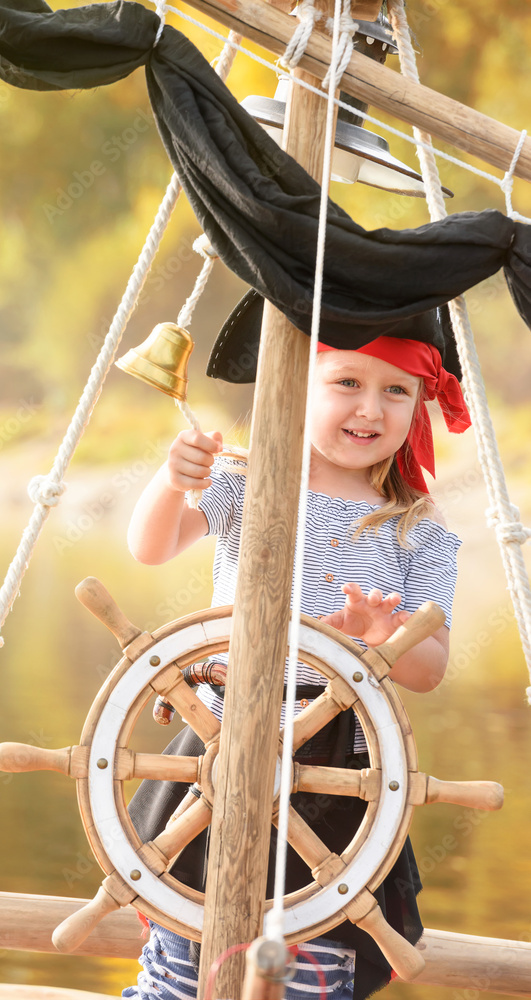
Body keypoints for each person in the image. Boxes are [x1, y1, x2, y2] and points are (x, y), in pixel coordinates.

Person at [122, 330, 470, 1000]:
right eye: (347, 383)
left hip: (339, 778)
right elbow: (151, 545)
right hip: (222, 747)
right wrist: (173, 481)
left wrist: (384, 637)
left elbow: (428, 668)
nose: (370, 409)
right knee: (178, 962)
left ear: (417, 406)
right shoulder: (243, 483)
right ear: (293, 390)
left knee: (316, 955)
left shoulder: (419, 529)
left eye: (395, 391)